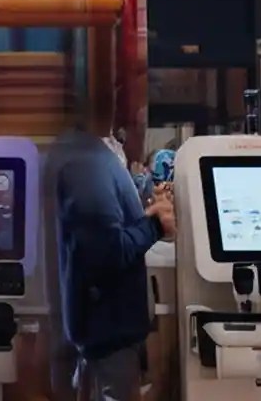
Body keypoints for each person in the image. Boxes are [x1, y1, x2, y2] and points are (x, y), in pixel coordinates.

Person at [48, 129, 176, 401]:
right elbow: (106, 253)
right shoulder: (88, 164)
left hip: (105, 330)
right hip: (107, 333)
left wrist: (144, 220)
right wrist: (154, 226)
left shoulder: (91, 156)